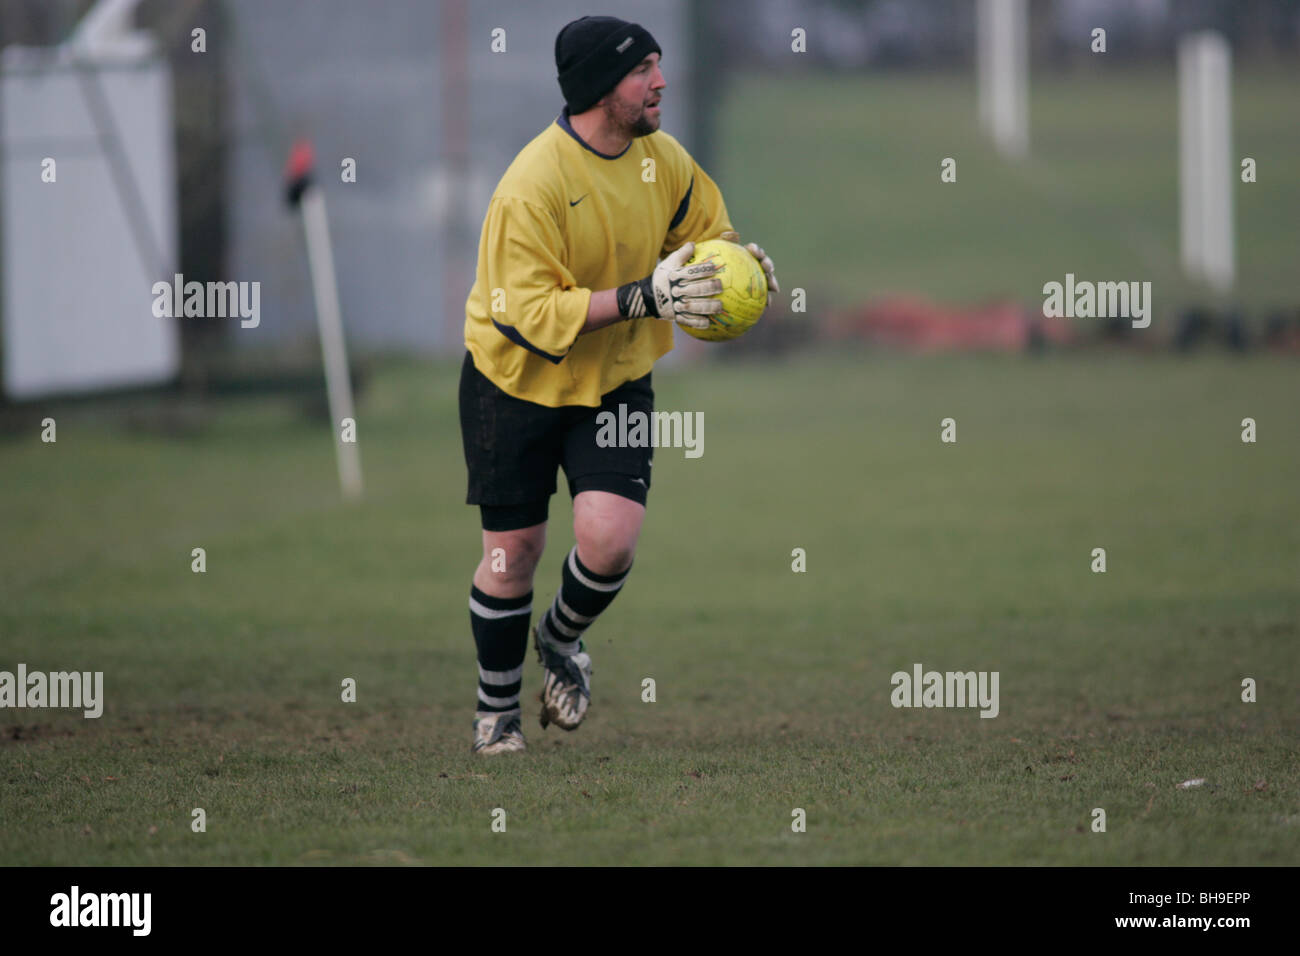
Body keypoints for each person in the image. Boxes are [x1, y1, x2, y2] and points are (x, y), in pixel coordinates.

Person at [460, 15, 778, 754]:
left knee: (609, 541)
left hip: (613, 381)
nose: (661, 82)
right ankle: (497, 712)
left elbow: (708, 238)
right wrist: (645, 297)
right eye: (644, 72)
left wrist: (741, 277)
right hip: (512, 381)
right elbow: (527, 315)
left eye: (661, 65)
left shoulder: (662, 161)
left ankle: (562, 639)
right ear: (601, 89)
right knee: (514, 554)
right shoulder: (531, 186)